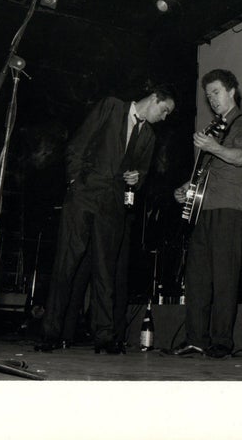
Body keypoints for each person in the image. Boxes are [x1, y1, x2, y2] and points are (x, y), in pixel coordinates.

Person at [36, 85, 176, 354]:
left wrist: (137, 179)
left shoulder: (148, 136)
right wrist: (75, 182)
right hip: (84, 195)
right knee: (66, 262)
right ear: (154, 98)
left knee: (105, 270)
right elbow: (79, 143)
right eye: (165, 110)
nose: (165, 117)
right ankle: (49, 332)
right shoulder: (111, 106)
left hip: (113, 205)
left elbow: (142, 174)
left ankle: (104, 336)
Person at [172, 69, 242, 358]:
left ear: (232, 91)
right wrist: (187, 188)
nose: (212, 100)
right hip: (204, 208)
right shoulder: (215, 128)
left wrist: (213, 146)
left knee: (224, 277)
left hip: (230, 208)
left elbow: (240, 157)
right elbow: (208, 171)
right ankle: (195, 338)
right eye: (208, 96)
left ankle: (221, 341)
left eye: (216, 92)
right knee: (197, 277)